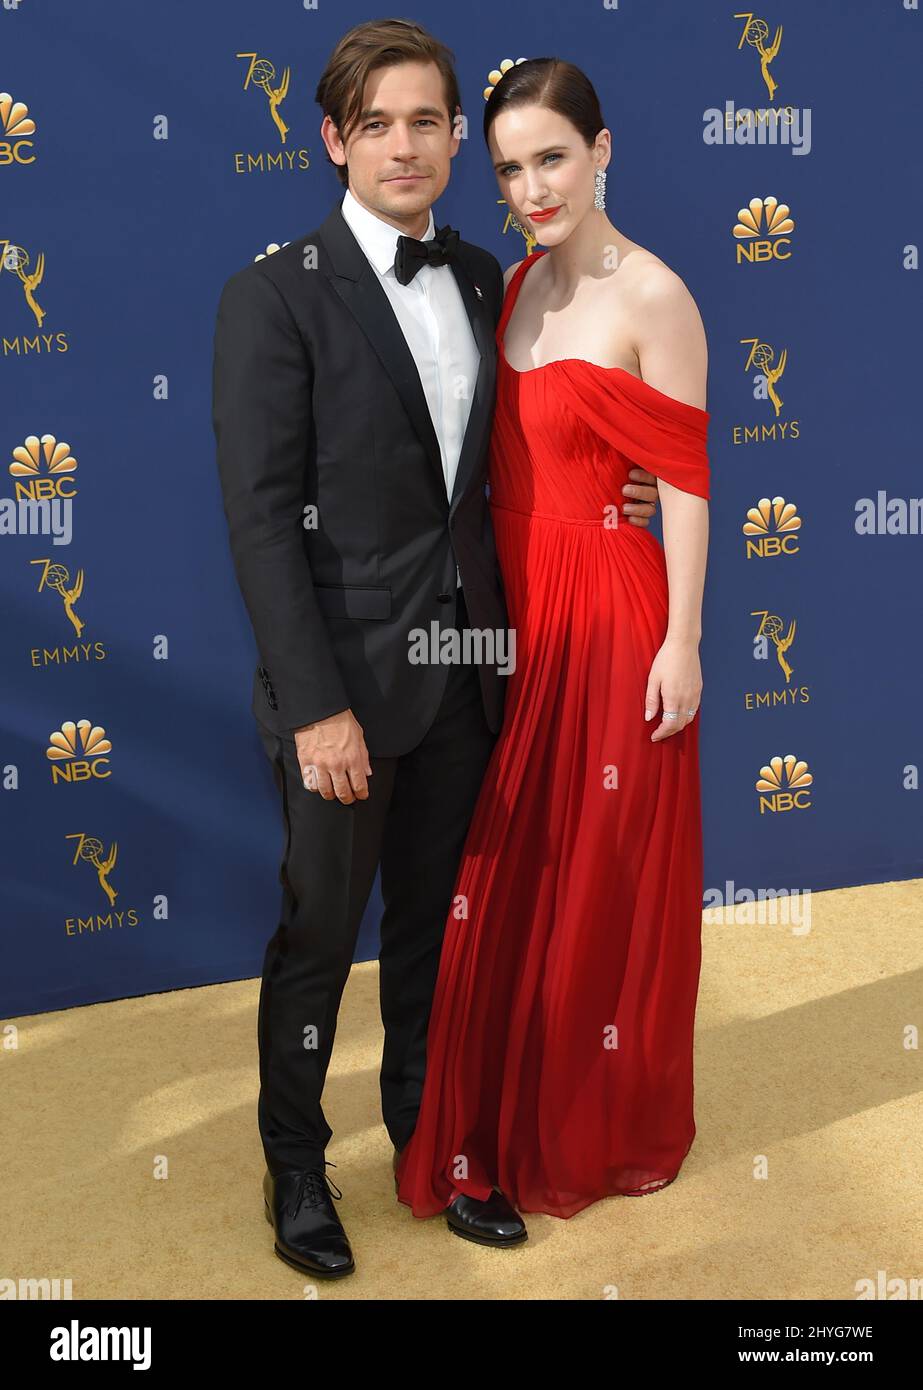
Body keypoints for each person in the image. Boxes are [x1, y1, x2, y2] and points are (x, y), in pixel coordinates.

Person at [211, 21, 660, 1278]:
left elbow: (546, 445)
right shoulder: (272, 296)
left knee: (437, 934)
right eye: (376, 125)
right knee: (317, 937)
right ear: (332, 141)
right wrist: (315, 707)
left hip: (472, 680)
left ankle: (434, 1144)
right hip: (342, 691)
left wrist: (625, 496)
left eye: (426, 122)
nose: (403, 146)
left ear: (459, 138)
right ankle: (294, 1165)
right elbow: (259, 523)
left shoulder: (486, 277)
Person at [395, 56, 710, 1228]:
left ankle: (584, 1118)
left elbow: (682, 480)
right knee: (511, 877)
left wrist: (679, 638)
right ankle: (489, 1113)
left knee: (591, 880)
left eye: (552, 157)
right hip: (513, 619)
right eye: (511, 167)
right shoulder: (512, 285)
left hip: (613, 617)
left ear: (602, 150)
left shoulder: (655, 296)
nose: (531, 185)